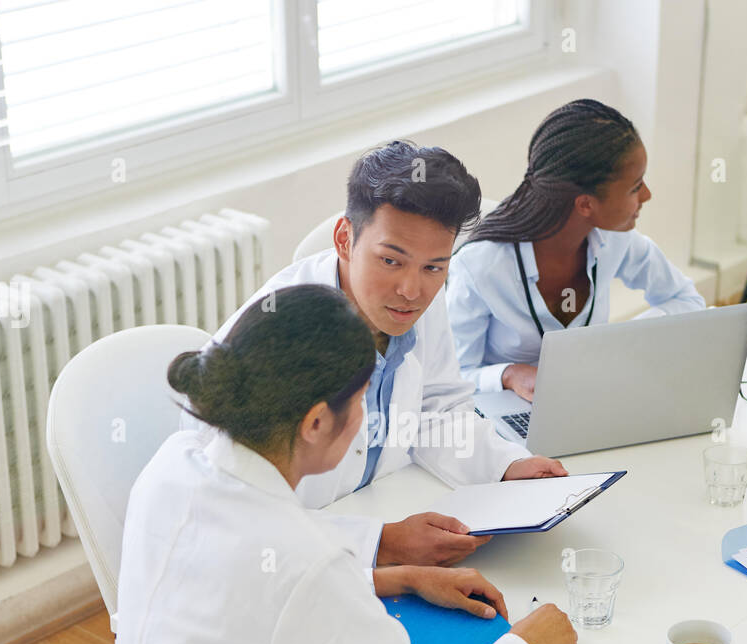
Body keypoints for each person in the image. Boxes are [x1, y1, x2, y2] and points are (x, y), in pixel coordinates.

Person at [100, 284, 578, 644]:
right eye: (362, 403)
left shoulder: (171, 471)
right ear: (318, 422)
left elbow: (247, 580)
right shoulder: (304, 571)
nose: (366, 421)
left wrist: (395, 576)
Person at [188, 141, 567, 568]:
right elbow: (235, 511)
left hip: (381, 511)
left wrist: (506, 465)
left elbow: (436, 408)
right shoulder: (277, 336)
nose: (412, 290)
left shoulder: (419, 299)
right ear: (344, 239)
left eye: (434, 267)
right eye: (391, 260)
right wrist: (379, 544)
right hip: (285, 569)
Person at [447, 99, 705, 398]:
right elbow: (451, 378)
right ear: (585, 204)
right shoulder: (481, 267)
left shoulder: (615, 240)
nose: (647, 195)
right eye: (635, 187)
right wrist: (508, 374)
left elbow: (686, 300)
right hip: (506, 418)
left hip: (588, 399)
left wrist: (625, 338)